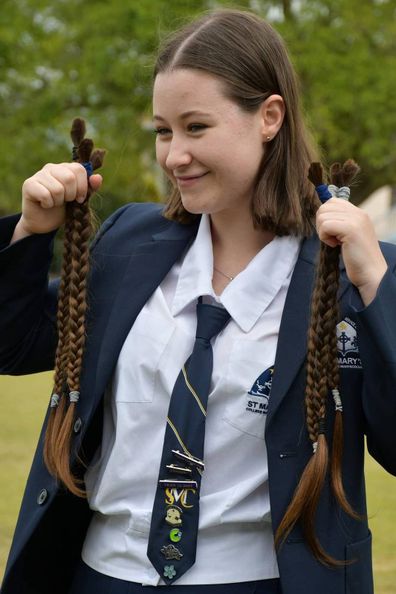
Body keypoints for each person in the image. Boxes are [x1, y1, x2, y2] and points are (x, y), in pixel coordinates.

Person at [0, 8, 395, 594]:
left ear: (269, 116)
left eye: (196, 127)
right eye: (163, 130)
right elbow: (13, 343)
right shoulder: (128, 244)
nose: (173, 155)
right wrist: (31, 235)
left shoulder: (349, 271)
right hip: (99, 576)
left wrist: (377, 287)